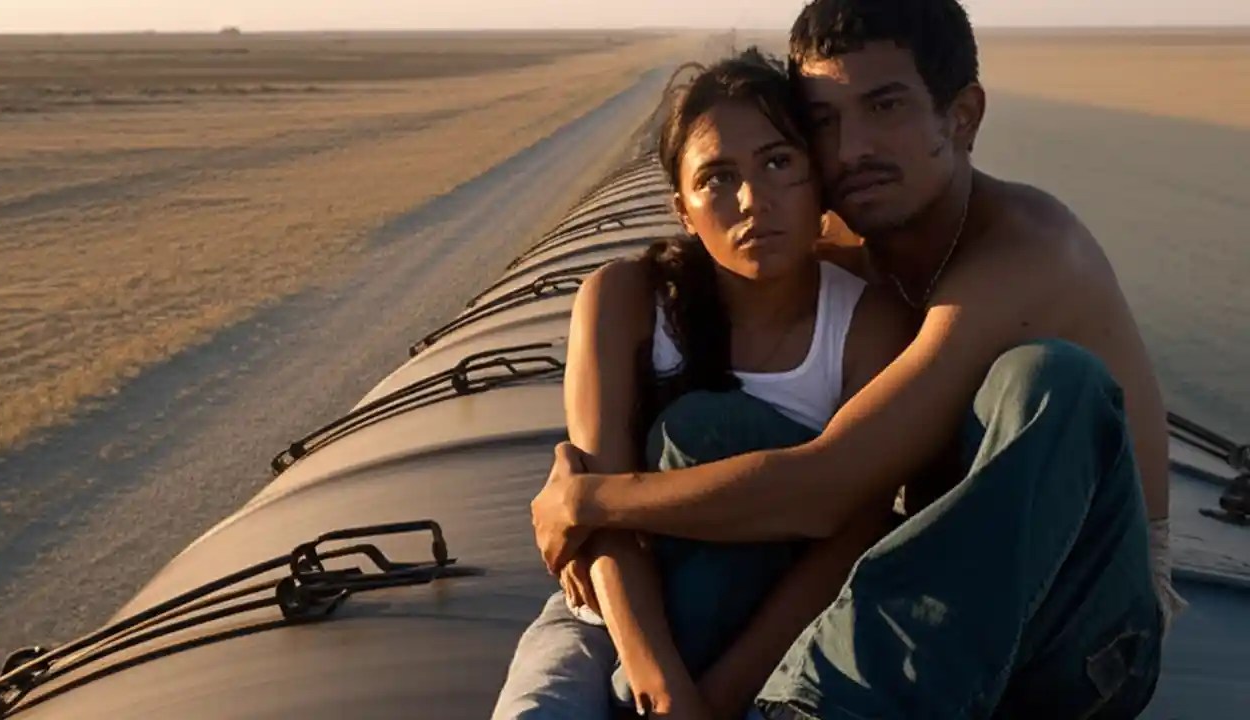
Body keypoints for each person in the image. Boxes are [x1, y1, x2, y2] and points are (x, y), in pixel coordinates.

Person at [529, 1, 1185, 718]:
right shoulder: (843, 240)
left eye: (885, 106)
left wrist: (587, 498)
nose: (850, 150)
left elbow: (829, 490)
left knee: (1049, 379)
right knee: (706, 432)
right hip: (939, 596)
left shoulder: (1026, 253)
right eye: (825, 119)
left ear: (962, 116)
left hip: (1081, 622)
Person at [493, 49, 918, 719]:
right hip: (619, 616)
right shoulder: (625, 299)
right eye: (718, 178)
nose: (752, 201)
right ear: (683, 210)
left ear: (817, 182)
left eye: (778, 163)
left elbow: (845, 537)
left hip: (782, 630)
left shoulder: (868, 324)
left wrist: (717, 697)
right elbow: (600, 530)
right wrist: (661, 690)